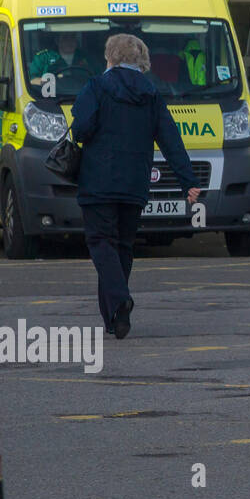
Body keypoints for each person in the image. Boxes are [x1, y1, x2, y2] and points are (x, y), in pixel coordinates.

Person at [70, 34, 201, 339]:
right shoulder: (152, 94)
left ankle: (120, 299)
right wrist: (188, 181)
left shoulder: (96, 87)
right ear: (141, 61)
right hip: (134, 184)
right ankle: (115, 318)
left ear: (111, 57)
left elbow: (81, 129)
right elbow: (170, 139)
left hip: (99, 182)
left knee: (101, 242)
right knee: (122, 247)